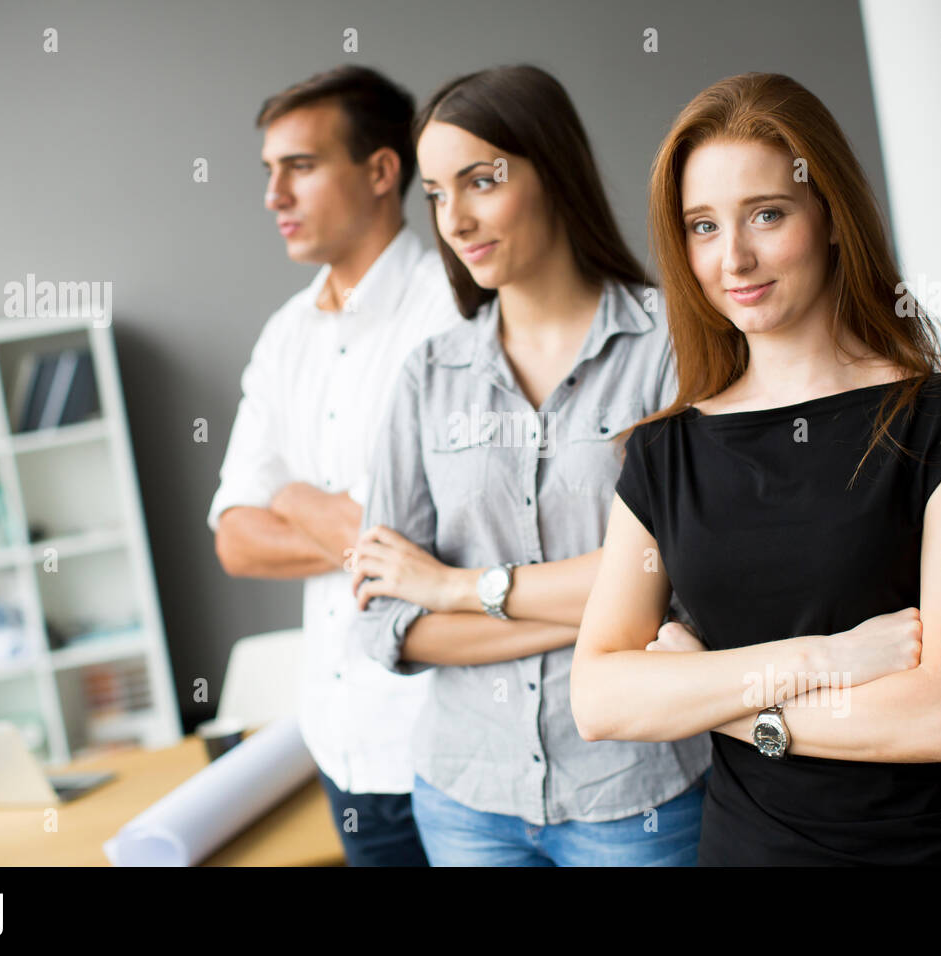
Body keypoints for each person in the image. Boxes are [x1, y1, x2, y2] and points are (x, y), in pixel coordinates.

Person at [570, 72, 941, 866]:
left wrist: (713, 695)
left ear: (832, 216)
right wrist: (821, 662)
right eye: (702, 227)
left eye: (766, 215)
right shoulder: (665, 452)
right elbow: (599, 698)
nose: (732, 257)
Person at [347, 65, 712, 866]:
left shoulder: (673, 346)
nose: (457, 218)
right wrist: (607, 610)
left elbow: (687, 580)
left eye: (482, 181)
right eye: (437, 193)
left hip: (634, 794)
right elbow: (380, 619)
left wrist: (457, 590)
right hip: (465, 798)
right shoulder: (427, 376)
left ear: (554, 168)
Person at [207, 66, 462, 866]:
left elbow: (451, 541)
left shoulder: (455, 311)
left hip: (450, 743)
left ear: (382, 171)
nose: (273, 195)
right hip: (344, 751)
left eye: (301, 167)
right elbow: (235, 541)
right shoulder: (286, 335)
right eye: (269, 172)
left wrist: (287, 494)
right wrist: (353, 521)